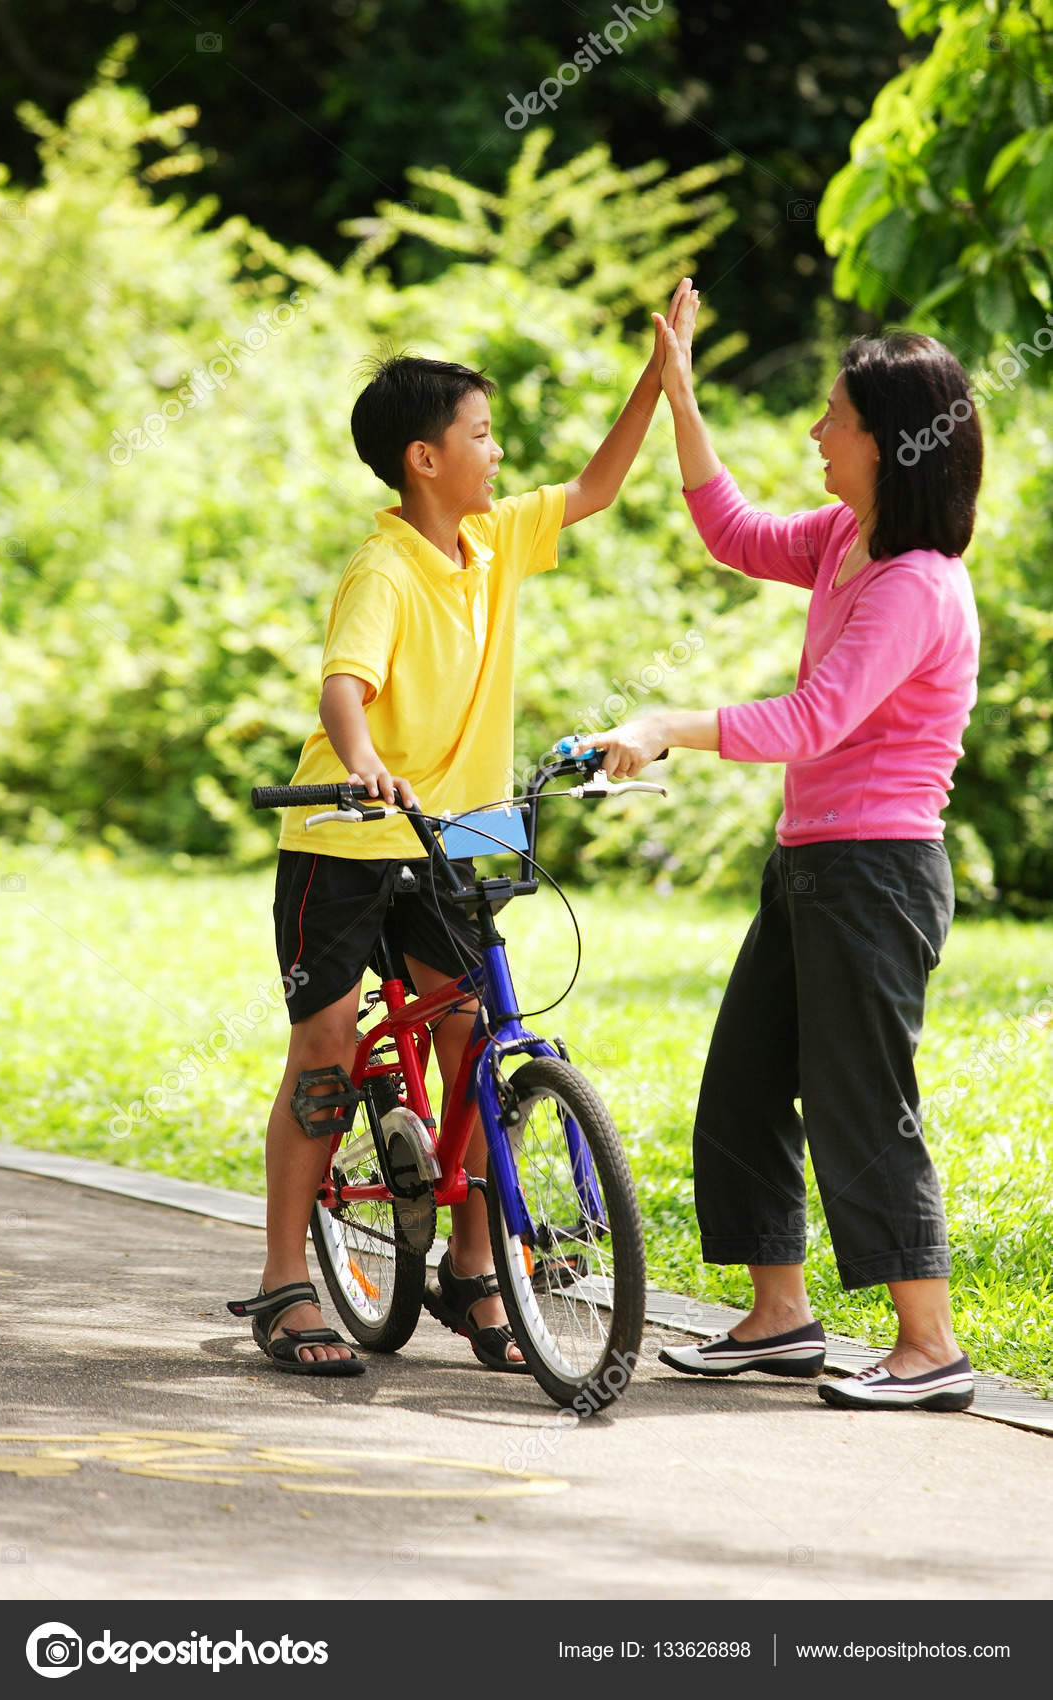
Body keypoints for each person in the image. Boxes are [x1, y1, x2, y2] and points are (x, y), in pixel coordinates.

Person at [229, 284, 692, 1375]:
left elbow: (594, 485)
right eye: (479, 435)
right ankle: (283, 1282)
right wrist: (361, 766)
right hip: (346, 841)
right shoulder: (382, 568)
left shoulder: (493, 539)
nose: (496, 452)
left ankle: (474, 1264)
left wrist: (657, 375)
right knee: (327, 1053)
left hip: (456, 837)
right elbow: (346, 684)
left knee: (474, 1040)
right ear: (421, 459)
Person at [580, 286, 982, 1412]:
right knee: (744, 1084)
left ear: (890, 443)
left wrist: (666, 723)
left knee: (862, 1101)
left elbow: (813, 720)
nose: (813, 430)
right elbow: (730, 529)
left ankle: (926, 1342)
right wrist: (675, 391)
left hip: (873, 873)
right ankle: (777, 1317)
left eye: (832, 414)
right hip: (812, 861)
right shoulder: (849, 543)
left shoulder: (913, 585)